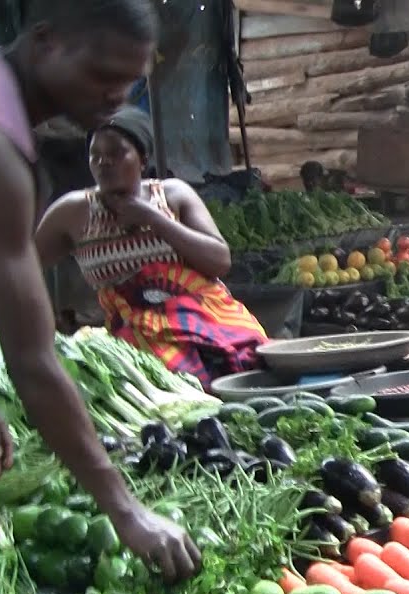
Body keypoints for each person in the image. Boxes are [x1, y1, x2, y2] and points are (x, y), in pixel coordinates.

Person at [0, 0, 200, 581]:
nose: (116, 96)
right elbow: (32, 360)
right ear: (46, 40)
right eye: (102, 74)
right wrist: (128, 511)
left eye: (129, 81)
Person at [35, 107, 267, 387]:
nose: (104, 162)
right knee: (178, 380)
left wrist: (153, 219)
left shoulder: (172, 195)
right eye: (95, 155)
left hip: (206, 315)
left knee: (254, 364)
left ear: (143, 159)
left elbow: (220, 261)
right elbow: (24, 264)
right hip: (135, 330)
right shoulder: (74, 212)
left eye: (116, 153)